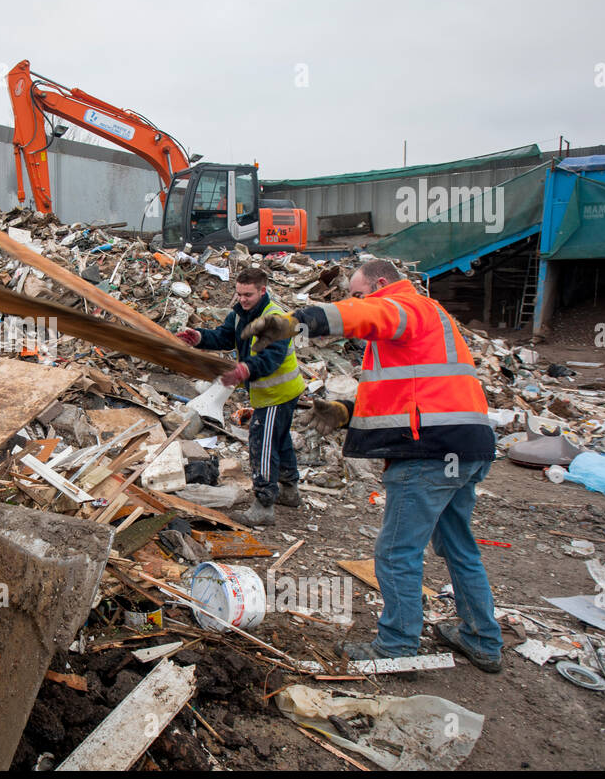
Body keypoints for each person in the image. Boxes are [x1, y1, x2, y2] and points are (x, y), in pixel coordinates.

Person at [242, 259, 502, 672]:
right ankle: (482, 638)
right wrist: (347, 411)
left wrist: (298, 321)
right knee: (458, 546)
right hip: (467, 446)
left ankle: (397, 644)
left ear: (381, 285)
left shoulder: (403, 305)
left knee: (398, 551)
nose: (354, 302)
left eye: (358, 294)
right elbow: (410, 396)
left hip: (429, 452)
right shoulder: (427, 325)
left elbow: (368, 313)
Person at [175, 267, 306, 526]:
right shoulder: (239, 314)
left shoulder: (276, 319)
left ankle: (264, 505)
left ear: (263, 291)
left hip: (277, 393)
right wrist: (199, 337)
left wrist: (244, 369)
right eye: (239, 294)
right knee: (278, 440)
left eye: (248, 294)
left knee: (262, 444)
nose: (243, 299)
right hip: (272, 391)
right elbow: (225, 337)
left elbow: (271, 359)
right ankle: (290, 491)